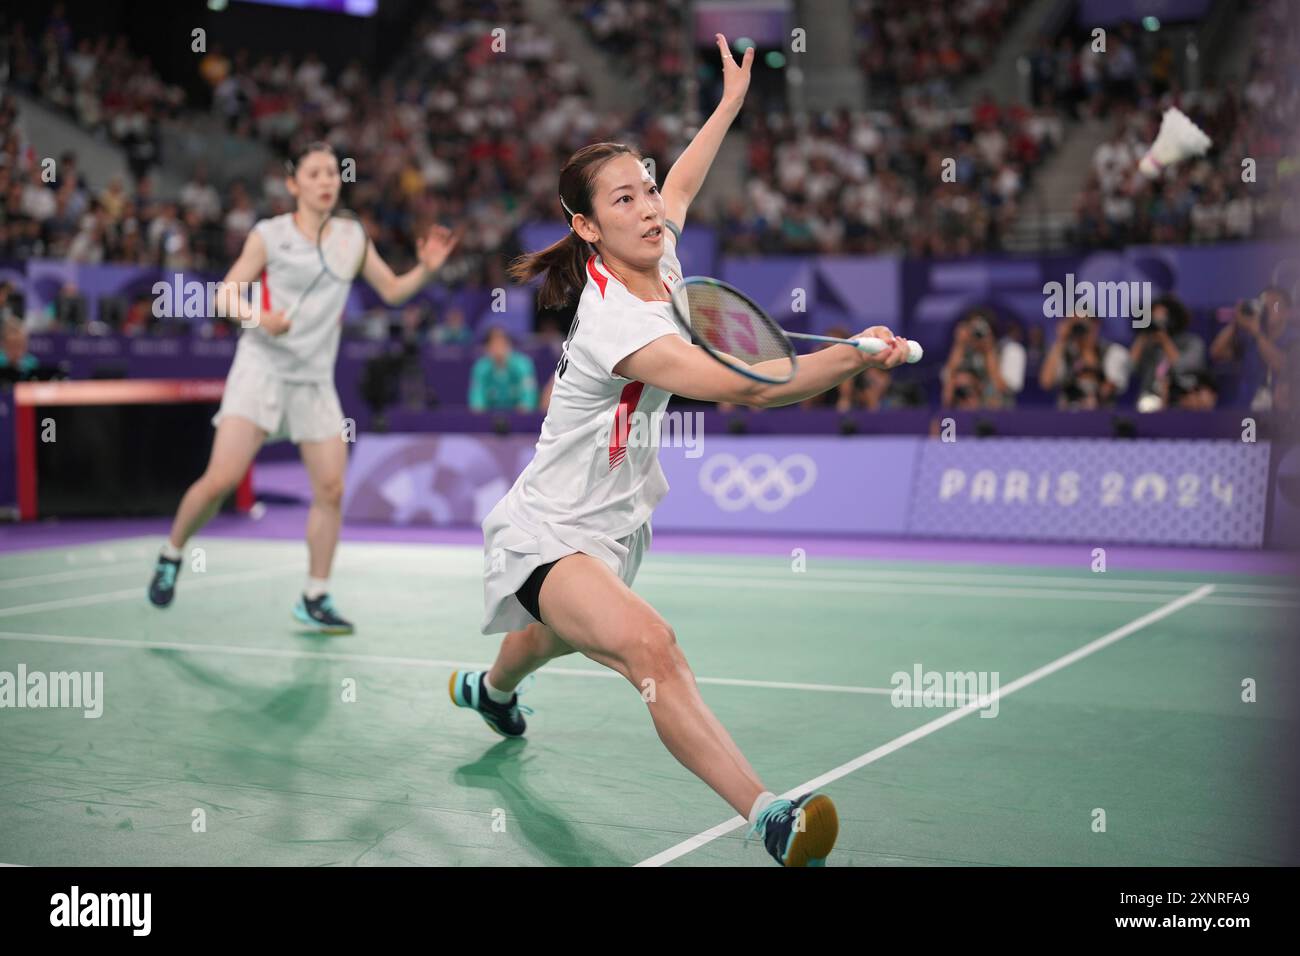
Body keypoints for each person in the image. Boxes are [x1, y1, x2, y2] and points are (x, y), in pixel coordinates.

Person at [448, 36, 913, 867]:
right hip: (549, 530)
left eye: (648, 189)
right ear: (588, 226)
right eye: (624, 200)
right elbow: (747, 386)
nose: (651, 206)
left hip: (616, 527)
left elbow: (687, 180)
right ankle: (770, 815)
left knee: (541, 641)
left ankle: (489, 693)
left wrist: (730, 102)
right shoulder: (616, 328)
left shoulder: (658, 258)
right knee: (650, 649)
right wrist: (851, 355)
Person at [147, 141, 460, 632]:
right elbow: (226, 293)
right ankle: (172, 552)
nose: (326, 181)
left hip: (314, 380)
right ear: (293, 185)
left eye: (333, 173)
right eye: (314, 173)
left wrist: (426, 269)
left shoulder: (352, 236)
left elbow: (393, 290)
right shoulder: (268, 235)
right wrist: (258, 316)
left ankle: (315, 595)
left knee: (331, 488)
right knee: (222, 479)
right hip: (261, 368)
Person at [1209, 287, 1295, 411]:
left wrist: (1257, 334)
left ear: (1286, 312)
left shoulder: (1294, 339)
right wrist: (1236, 322)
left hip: (1281, 415)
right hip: (1245, 411)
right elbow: (1216, 353)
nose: (1267, 309)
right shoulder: (1249, 338)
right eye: (1264, 304)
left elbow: (1282, 366)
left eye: (1274, 305)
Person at [1129, 294, 1206, 411]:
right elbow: (1129, 368)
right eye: (1153, 317)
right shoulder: (1148, 345)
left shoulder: (1192, 342)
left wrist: (1165, 341)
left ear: (1173, 319)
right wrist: (1143, 334)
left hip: (1182, 401)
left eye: (1162, 318)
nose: (1157, 322)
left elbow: (1184, 367)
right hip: (1148, 402)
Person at [467, 327, 538, 412]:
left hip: (518, 418)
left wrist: (522, 413)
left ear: (509, 345)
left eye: (502, 344)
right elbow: (477, 398)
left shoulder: (523, 365)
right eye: (494, 344)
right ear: (487, 348)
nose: (498, 348)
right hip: (489, 418)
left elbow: (528, 396)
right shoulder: (481, 367)